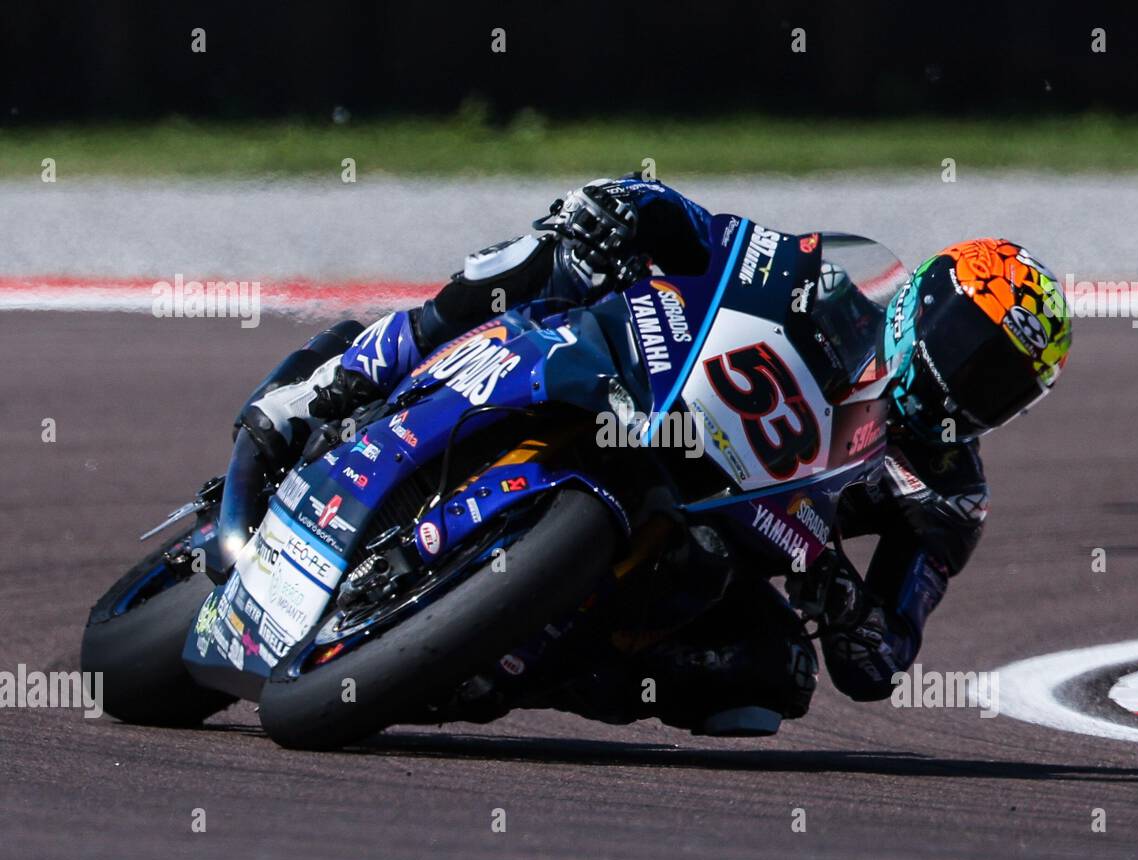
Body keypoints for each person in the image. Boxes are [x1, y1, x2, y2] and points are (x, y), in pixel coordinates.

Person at [239, 177, 1072, 735]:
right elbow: (716, 237)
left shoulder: (947, 498)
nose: (968, 383)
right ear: (923, 300)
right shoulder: (832, 285)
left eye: (1000, 385)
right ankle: (334, 384)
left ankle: (518, 664)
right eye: (968, 347)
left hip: (721, 531)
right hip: (654, 399)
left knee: (775, 681)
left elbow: (883, 661)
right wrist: (633, 209)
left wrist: (844, 602)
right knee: (552, 257)